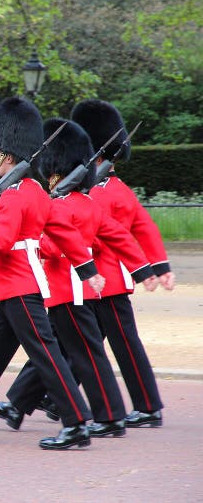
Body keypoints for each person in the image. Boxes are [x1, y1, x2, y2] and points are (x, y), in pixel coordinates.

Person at [0, 97, 104, 450]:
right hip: (16, 286)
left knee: (45, 354)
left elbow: (1, 241)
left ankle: (75, 423)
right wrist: (88, 270)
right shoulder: (38, 191)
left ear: (7, 156)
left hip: (18, 285)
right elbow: (64, 233)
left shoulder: (12, 194)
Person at [0, 118, 158, 438]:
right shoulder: (89, 203)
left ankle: (96, 418)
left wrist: (32, 245)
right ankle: (108, 415)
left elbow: (57, 246)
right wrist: (143, 269)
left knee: (82, 357)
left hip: (66, 289)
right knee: (87, 355)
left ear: (55, 174)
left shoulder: (62, 206)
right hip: (82, 290)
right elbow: (118, 236)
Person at [72, 99, 175, 428]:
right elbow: (146, 227)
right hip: (101, 280)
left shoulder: (101, 193)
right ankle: (50, 395)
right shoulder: (117, 189)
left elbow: (103, 235)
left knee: (121, 345)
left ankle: (147, 406)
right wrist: (159, 265)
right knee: (81, 341)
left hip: (105, 281)